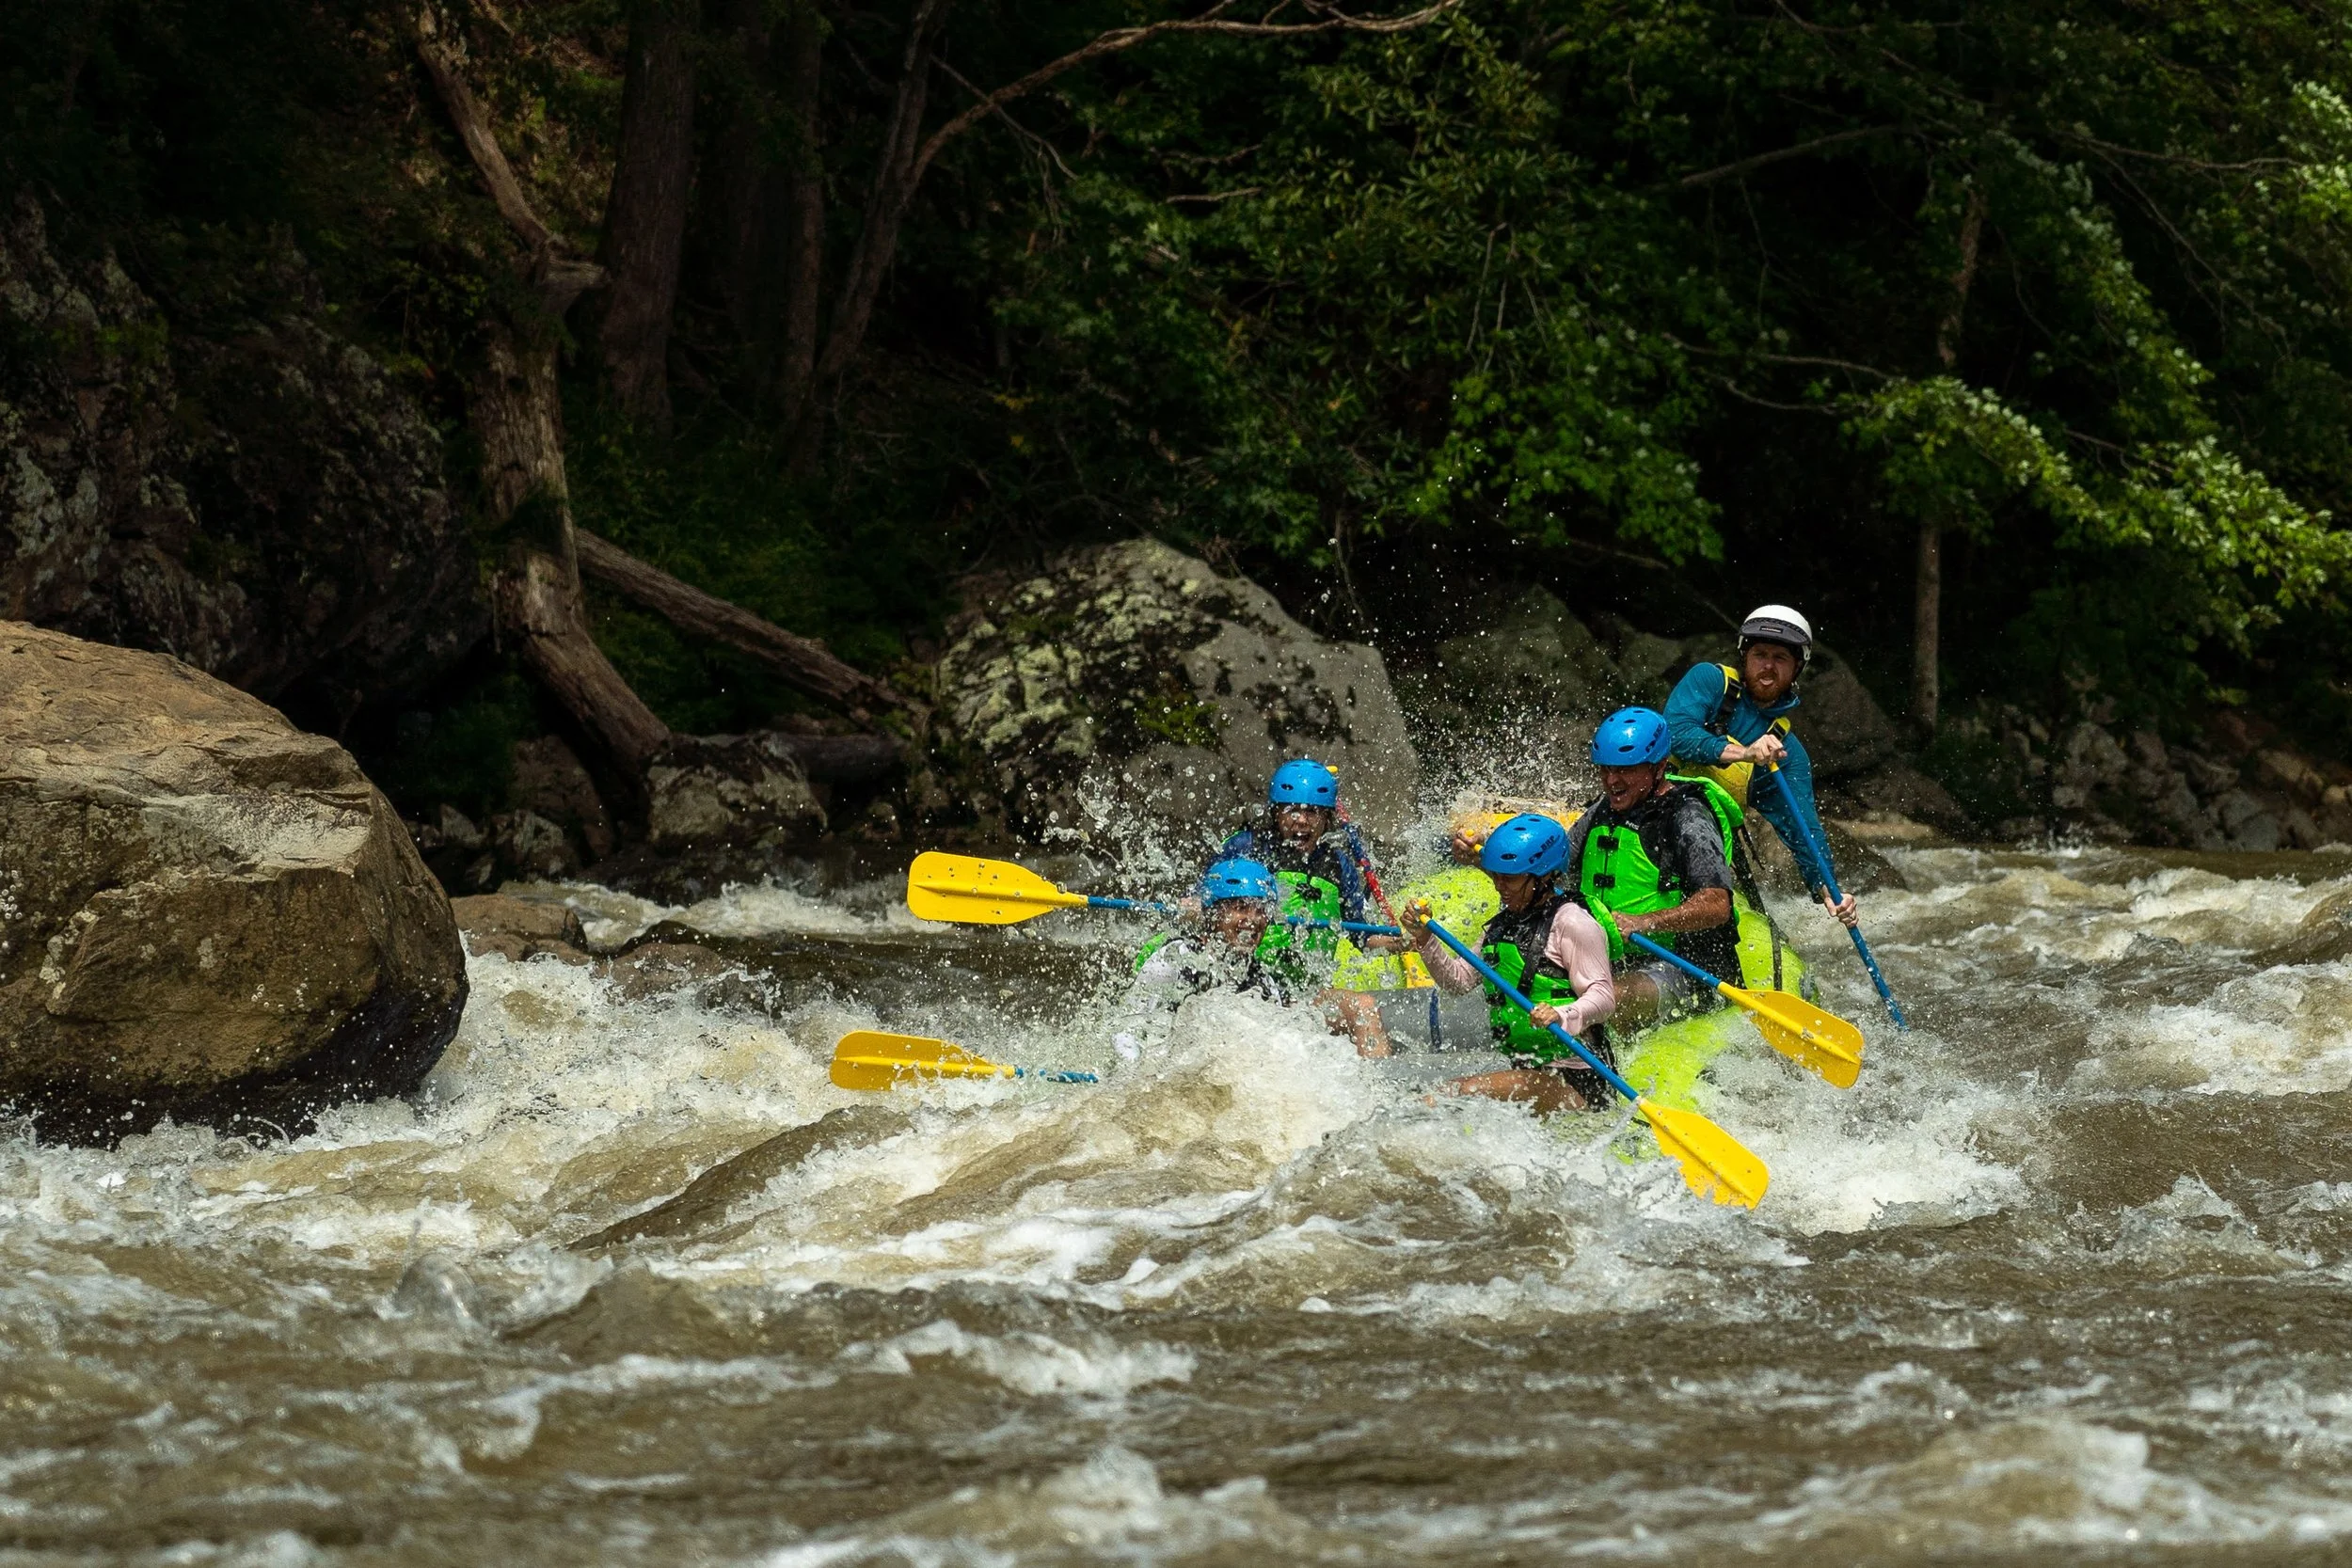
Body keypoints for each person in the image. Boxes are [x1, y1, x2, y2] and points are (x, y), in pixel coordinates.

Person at [1397, 814, 1619, 1114]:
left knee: (1456, 1093)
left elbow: (1604, 998)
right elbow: (1458, 981)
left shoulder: (1573, 923)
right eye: (1497, 876)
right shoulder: (1501, 927)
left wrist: (1561, 1014)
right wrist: (1425, 938)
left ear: (1543, 876)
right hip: (1528, 1068)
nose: (1500, 887)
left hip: (1579, 1079)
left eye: (1510, 878)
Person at [1662, 604, 1859, 928]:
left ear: (1797, 668)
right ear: (1745, 656)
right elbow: (1675, 733)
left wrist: (1829, 891)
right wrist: (1744, 753)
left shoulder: (1788, 753)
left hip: (1711, 845)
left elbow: (1803, 828)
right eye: (1760, 655)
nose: (1768, 666)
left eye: (1780, 658)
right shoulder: (1710, 681)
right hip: (1656, 812)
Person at [1565, 707, 1744, 1032]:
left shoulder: (1689, 818)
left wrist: (1644, 922)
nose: (1612, 781)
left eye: (1625, 770)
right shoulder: (1602, 810)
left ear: (1659, 767)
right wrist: (1490, 856)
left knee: (1606, 1001)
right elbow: (1553, 866)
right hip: (1607, 959)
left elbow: (1718, 905)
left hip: (1681, 967)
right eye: (1605, 769)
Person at [1125, 856, 1392, 1059]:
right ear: (1213, 914)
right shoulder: (1175, 959)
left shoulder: (1260, 980)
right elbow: (1127, 1030)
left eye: (1261, 911)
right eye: (1240, 908)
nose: (1252, 920)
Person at [1212, 759, 1406, 965]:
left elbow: (1362, 936)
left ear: (1326, 818)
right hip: (1249, 972)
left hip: (1311, 981)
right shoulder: (1249, 847)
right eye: (1292, 810)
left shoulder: (1339, 865)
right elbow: (1203, 904)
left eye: (1312, 811)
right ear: (1277, 813)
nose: (1302, 821)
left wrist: (1407, 941)